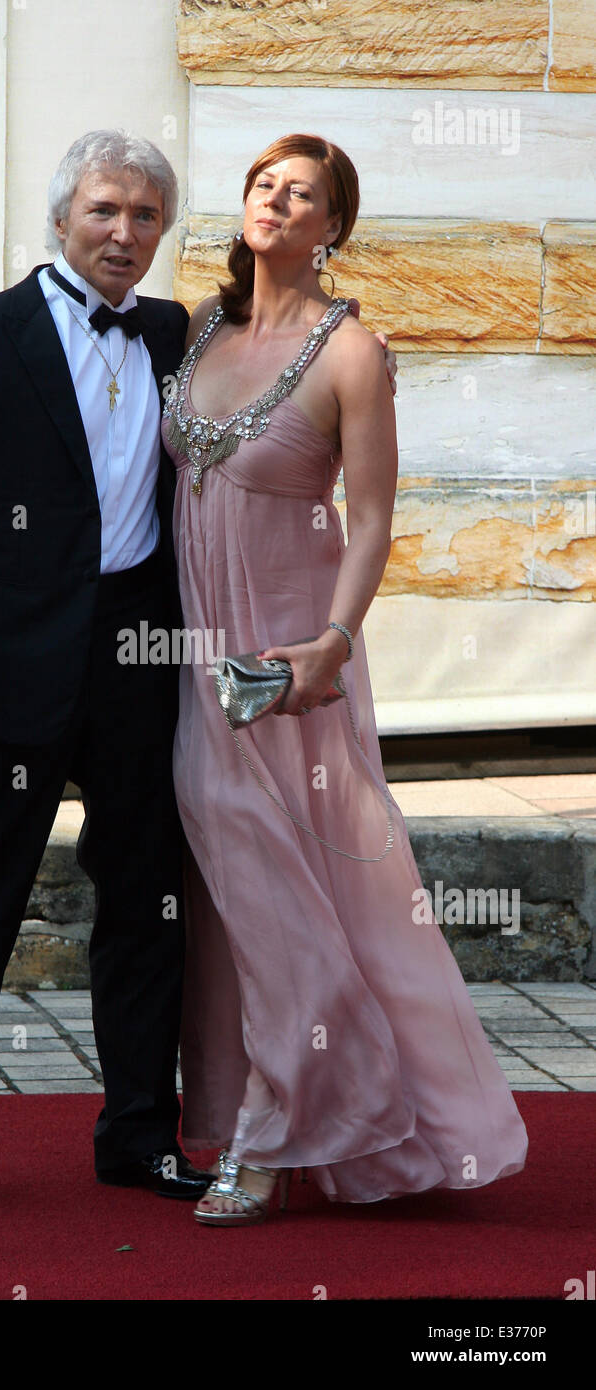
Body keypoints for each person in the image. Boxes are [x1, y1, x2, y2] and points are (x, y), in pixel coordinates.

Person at [0, 128, 396, 1223]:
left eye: (146, 215)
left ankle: (141, 1138)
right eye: (105, 211)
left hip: (143, 669)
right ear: (62, 216)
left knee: (148, 911)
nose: (125, 233)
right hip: (1, 669)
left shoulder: (177, 333)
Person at [161, 133, 528, 1226]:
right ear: (244, 209)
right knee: (254, 897)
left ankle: (277, 1139)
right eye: (265, 186)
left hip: (288, 667)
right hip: (193, 655)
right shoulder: (200, 330)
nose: (278, 203)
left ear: (333, 227)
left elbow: (371, 520)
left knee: (304, 890)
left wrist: (331, 641)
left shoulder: (350, 354)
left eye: (304, 195)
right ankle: (343, 1110)